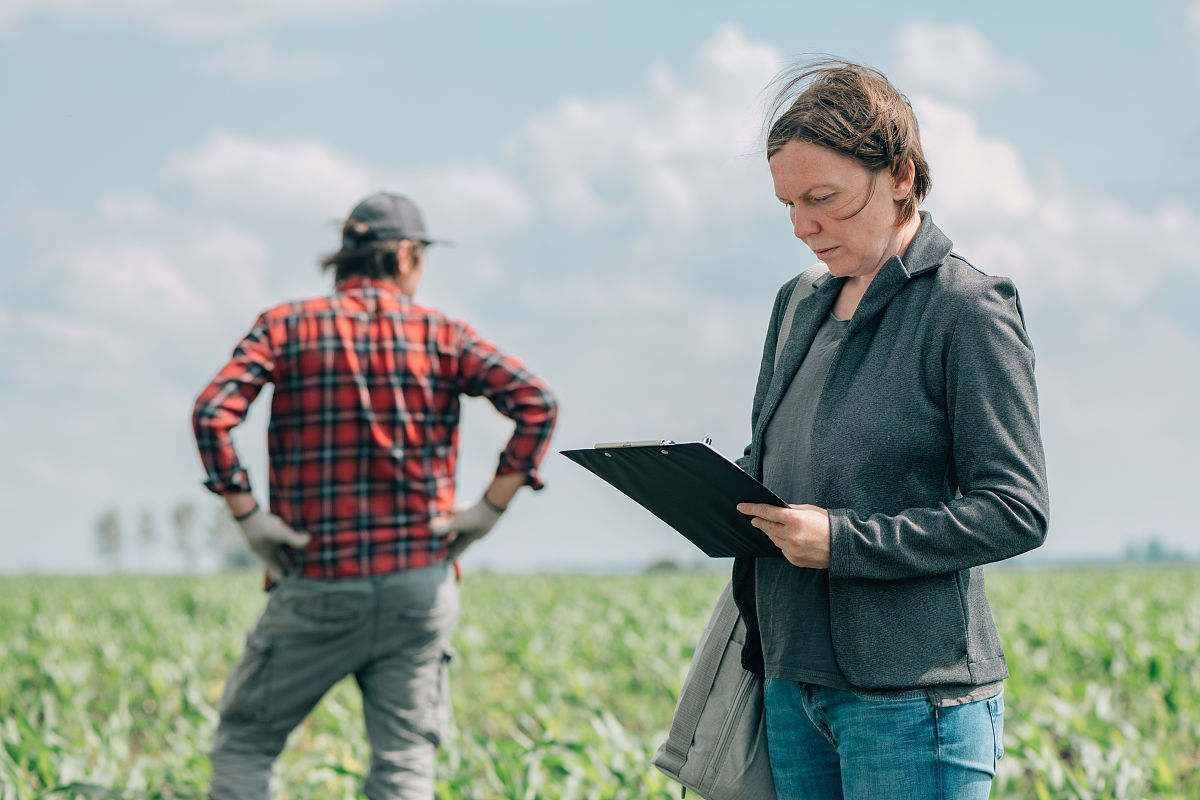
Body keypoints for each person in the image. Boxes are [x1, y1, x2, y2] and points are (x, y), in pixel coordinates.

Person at [731, 59, 1049, 799]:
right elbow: (777, 460)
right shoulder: (798, 303)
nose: (804, 226)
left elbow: (1015, 510)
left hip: (912, 700)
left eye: (824, 199)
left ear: (900, 175)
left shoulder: (967, 311)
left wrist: (844, 541)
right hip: (790, 681)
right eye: (788, 204)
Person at [192, 191, 558, 800]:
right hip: (420, 585)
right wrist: (489, 509)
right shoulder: (443, 334)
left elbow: (212, 414)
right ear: (408, 257)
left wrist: (250, 517)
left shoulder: (284, 326)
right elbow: (536, 402)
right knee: (405, 765)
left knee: (247, 745)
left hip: (318, 581)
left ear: (346, 258)